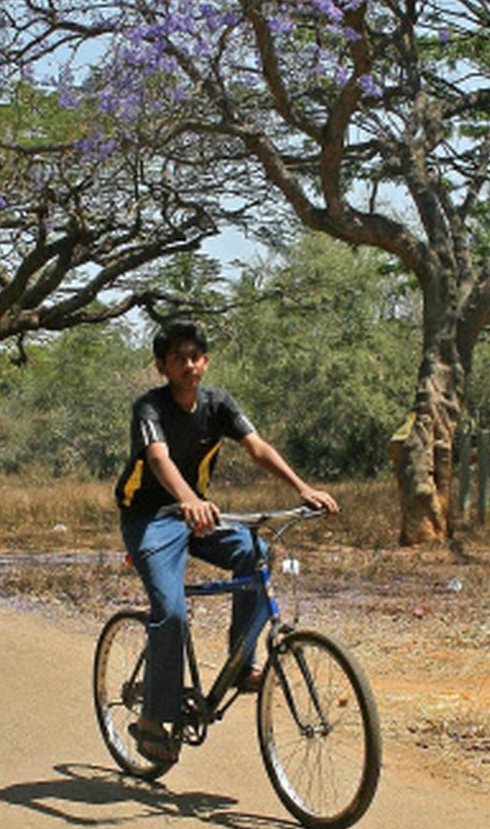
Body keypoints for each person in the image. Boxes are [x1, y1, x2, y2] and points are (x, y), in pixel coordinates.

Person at [115, 317, 338, 763]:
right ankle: (152, 719)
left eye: (195, 357)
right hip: (151, 519)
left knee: (256, 554)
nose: (189, 366)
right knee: (172, 611)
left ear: (206, 361)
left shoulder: (218, 405)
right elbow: (159, 460)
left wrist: (302, 488)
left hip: (197, 514)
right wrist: (187, 501)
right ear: (162, 366)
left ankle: (243, 662)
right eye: (178, 359)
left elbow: (257, 447)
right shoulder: (150, 409)